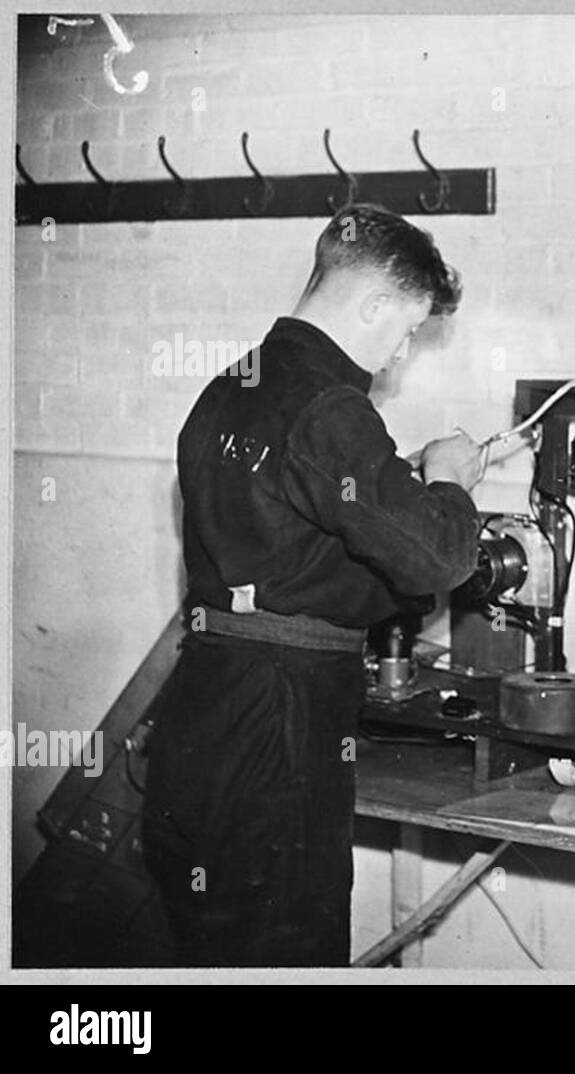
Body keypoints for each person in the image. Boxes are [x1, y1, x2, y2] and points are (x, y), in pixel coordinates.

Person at [142, 204, 484, 966]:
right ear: (371, 305)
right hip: (281, 725)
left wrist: (400, 480)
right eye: (405, 332)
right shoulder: (332, 408)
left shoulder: (230, 387)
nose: (398, 357)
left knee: (215, 948)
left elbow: (300, 538)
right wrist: (450, 484)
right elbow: (437, 560)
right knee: (287, 947)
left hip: (205, 710)